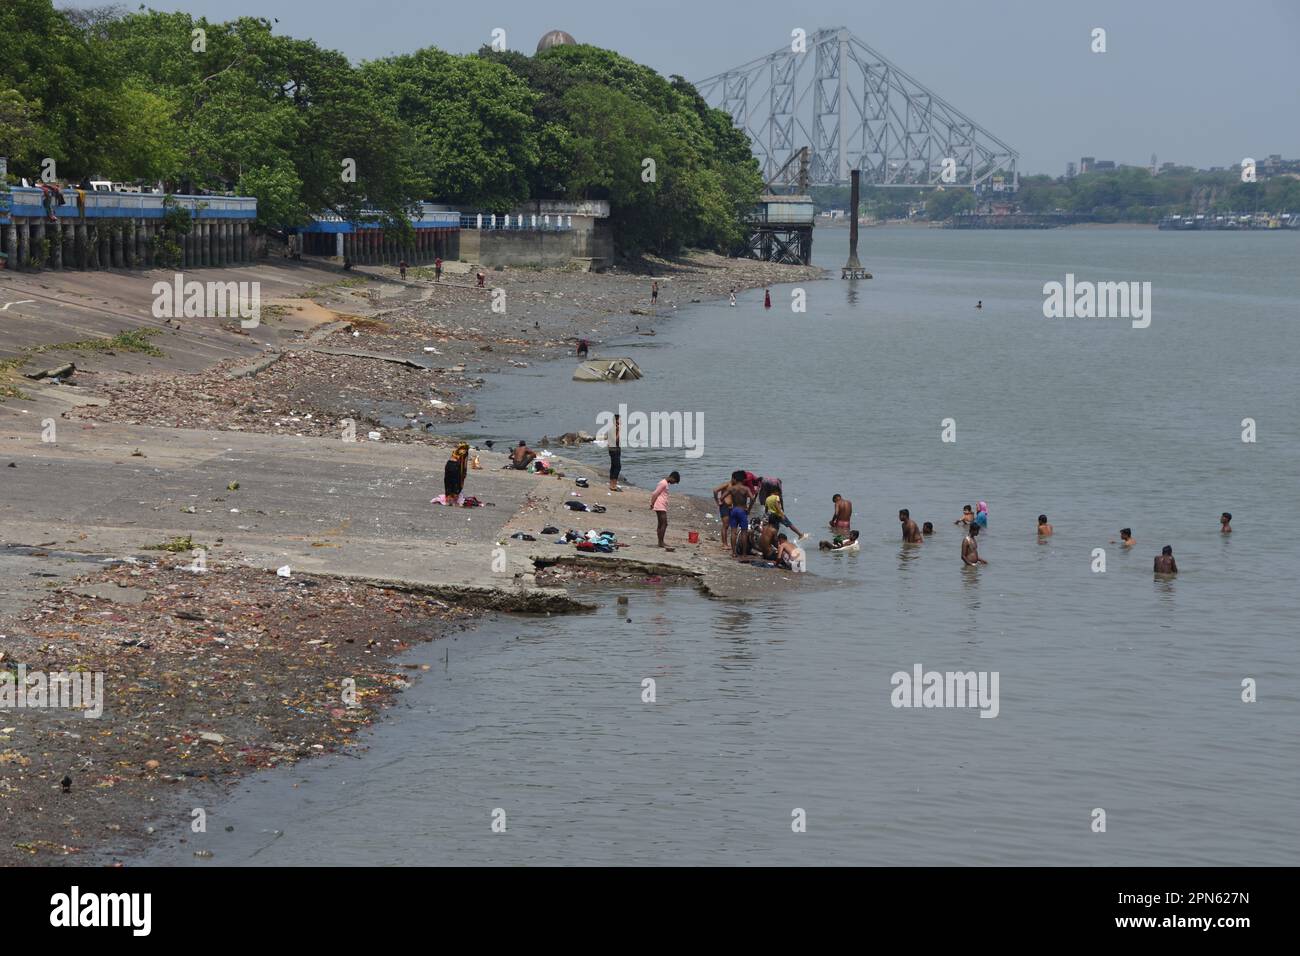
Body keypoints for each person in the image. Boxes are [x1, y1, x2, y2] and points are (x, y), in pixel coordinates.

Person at [651, 471, 680, 548]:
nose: (674, 483)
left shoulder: (665, 483)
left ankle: (660, 542)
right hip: (660, 505)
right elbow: (655, 493)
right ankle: (661, 542)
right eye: (675, 481)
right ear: (672, 477)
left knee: (660, 524)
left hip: (661, 505)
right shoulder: (663, 483)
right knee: (664, 523)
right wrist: (652, 503)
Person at [607, 412, 622, 491]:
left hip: (612, 449)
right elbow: (615, 440)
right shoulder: (615, 428)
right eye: (620, 419)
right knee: (617, 467)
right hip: (615, 449)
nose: (621, 421)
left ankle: (611, 484)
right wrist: (619, 432)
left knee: (613, 466)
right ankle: (613, 485)